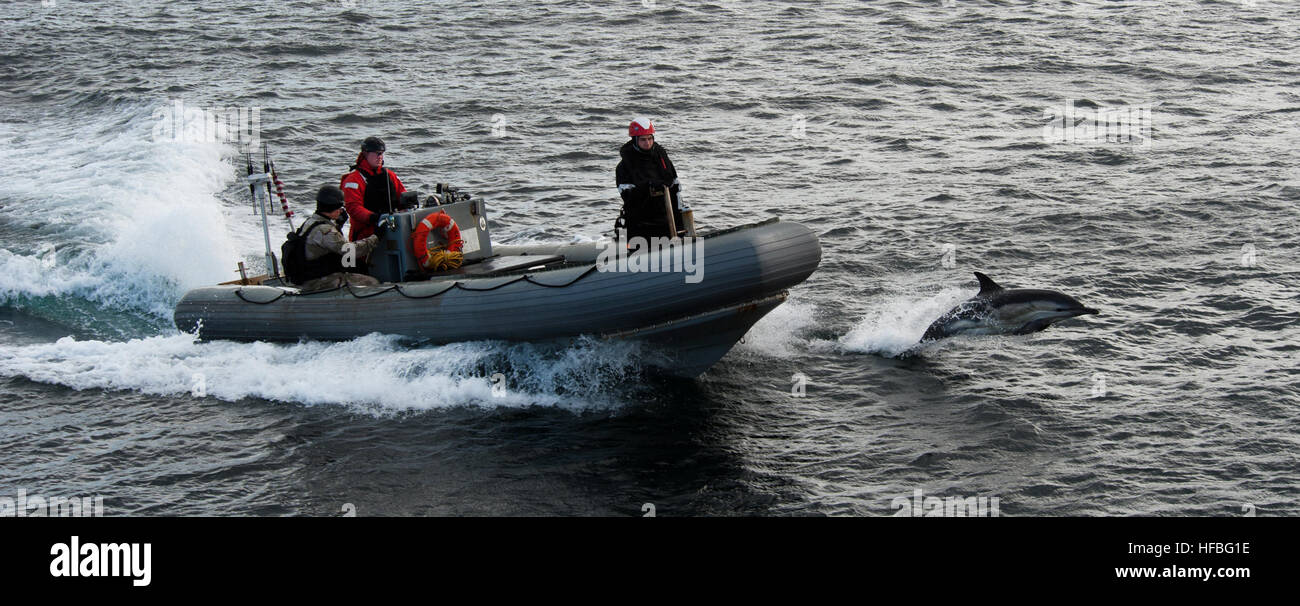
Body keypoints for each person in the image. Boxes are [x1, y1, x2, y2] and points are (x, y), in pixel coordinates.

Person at [291, 185, 381, 291]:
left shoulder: (311, 222)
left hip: (308, 275)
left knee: (358, 267)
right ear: (335, 208)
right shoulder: (325, 230)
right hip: (317, 281)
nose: (341, 211)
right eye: (340, 208)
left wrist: (339, 225)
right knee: (372, 282)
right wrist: (376, 237)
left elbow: (330, 242)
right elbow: (350, 251)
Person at [615, 117, 683, 242]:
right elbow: (628, 197)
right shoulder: (624, 166)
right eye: (643, 139)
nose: (647, 143)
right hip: (640, 222)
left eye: (650, 138)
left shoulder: (662, 159)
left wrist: (679, 215)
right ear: (635, 140)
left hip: (665, 218)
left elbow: (676, 188)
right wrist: (648, 186)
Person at [341, 136, 407, 242]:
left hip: (393, 228)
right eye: (377, 153)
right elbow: (353, 207)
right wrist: (374, 217)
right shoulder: (353, 180)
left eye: (381, 153)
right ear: (366, 153)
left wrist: (407, 205)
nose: (380, 156)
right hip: (365, 235)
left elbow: (402, 194)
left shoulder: (389, 175)